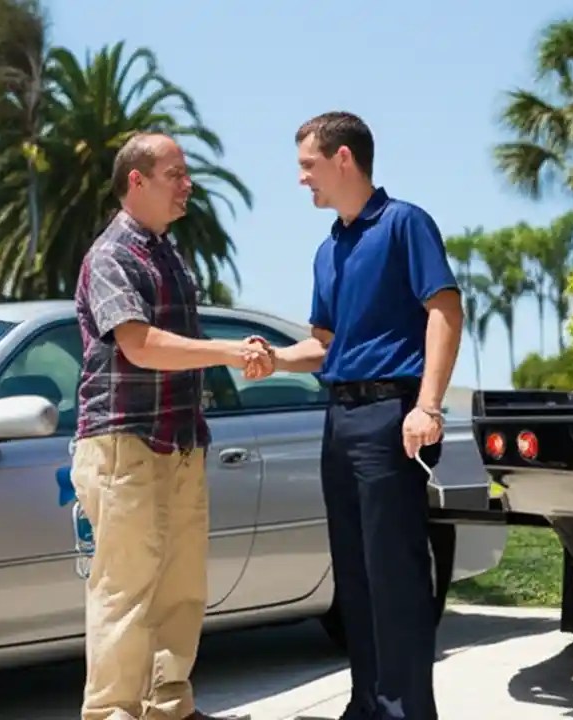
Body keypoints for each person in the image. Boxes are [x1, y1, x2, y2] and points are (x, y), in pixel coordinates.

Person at [270, 112, 462, 720]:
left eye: (309, 165)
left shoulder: (405, 223)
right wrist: (271, 360)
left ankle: (405, 711)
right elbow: (324, 345)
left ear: (344, 158)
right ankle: (367, 705)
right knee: (353, 576)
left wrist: (427, 406)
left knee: (394, 578)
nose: (303, 179)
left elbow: (445, 311)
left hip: (390, 417)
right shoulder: (329, 249)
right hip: (340, 419)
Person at [71, 131, 268, 720]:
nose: (188, 185)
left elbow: (174, 346)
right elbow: (140, 346)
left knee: (181, 591)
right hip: (124, 444)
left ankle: (169, 708)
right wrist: (230, 354)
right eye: (175, 174)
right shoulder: (110, 256)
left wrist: (234, 355)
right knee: (125, 593)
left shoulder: (167, 254)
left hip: (180, 444)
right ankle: (112, 713)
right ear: (137, 181)